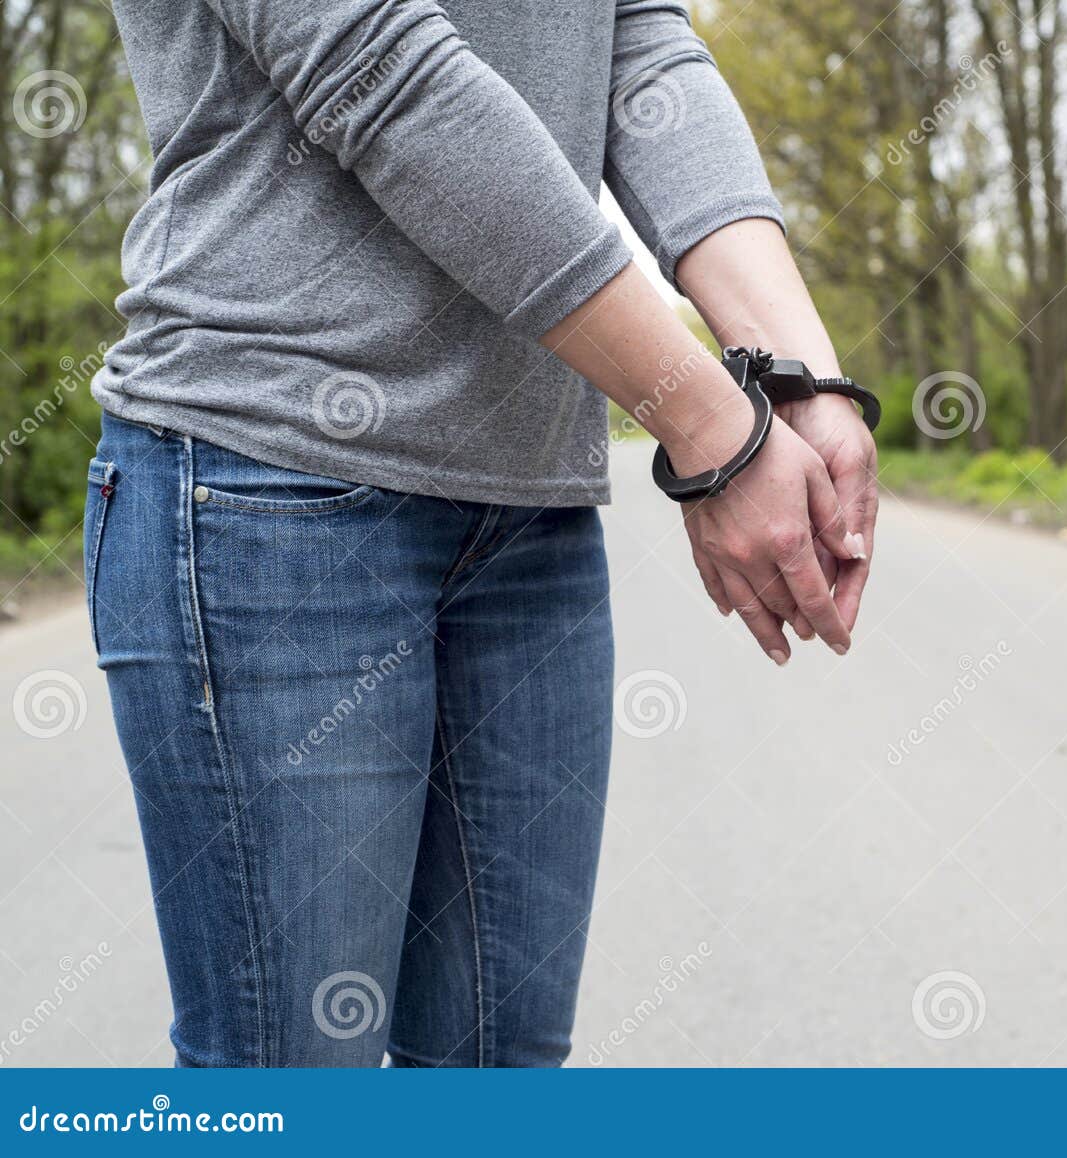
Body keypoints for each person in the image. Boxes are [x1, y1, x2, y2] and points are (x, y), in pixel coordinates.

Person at [84, 0, 877, 1067]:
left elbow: (635, 38)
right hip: (265, 477)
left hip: (527, 511)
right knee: (288, 1086)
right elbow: (375, 66)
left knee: (497, 1076)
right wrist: (708, 425)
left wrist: (799, 374)